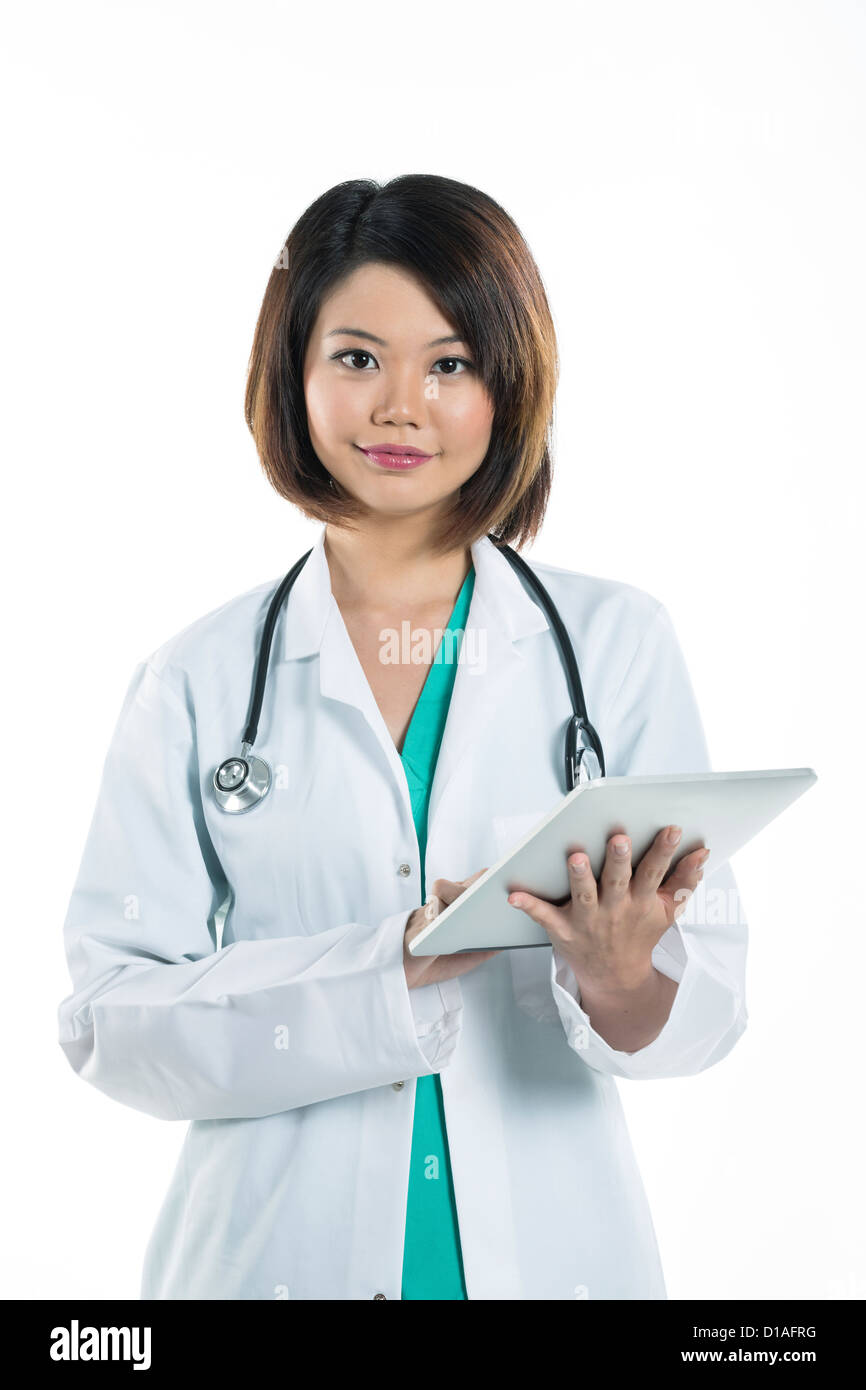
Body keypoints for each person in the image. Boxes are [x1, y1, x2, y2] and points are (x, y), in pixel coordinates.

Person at [57, 173, 748, 1301]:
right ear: (292, 370)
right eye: (357, 357)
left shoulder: (614, 646)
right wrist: (387, 965)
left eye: (450, 363)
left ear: (508, 383)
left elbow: (706, 999)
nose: (398, 407)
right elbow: (108, 1023)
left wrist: (624, 981)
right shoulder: (195, 679)